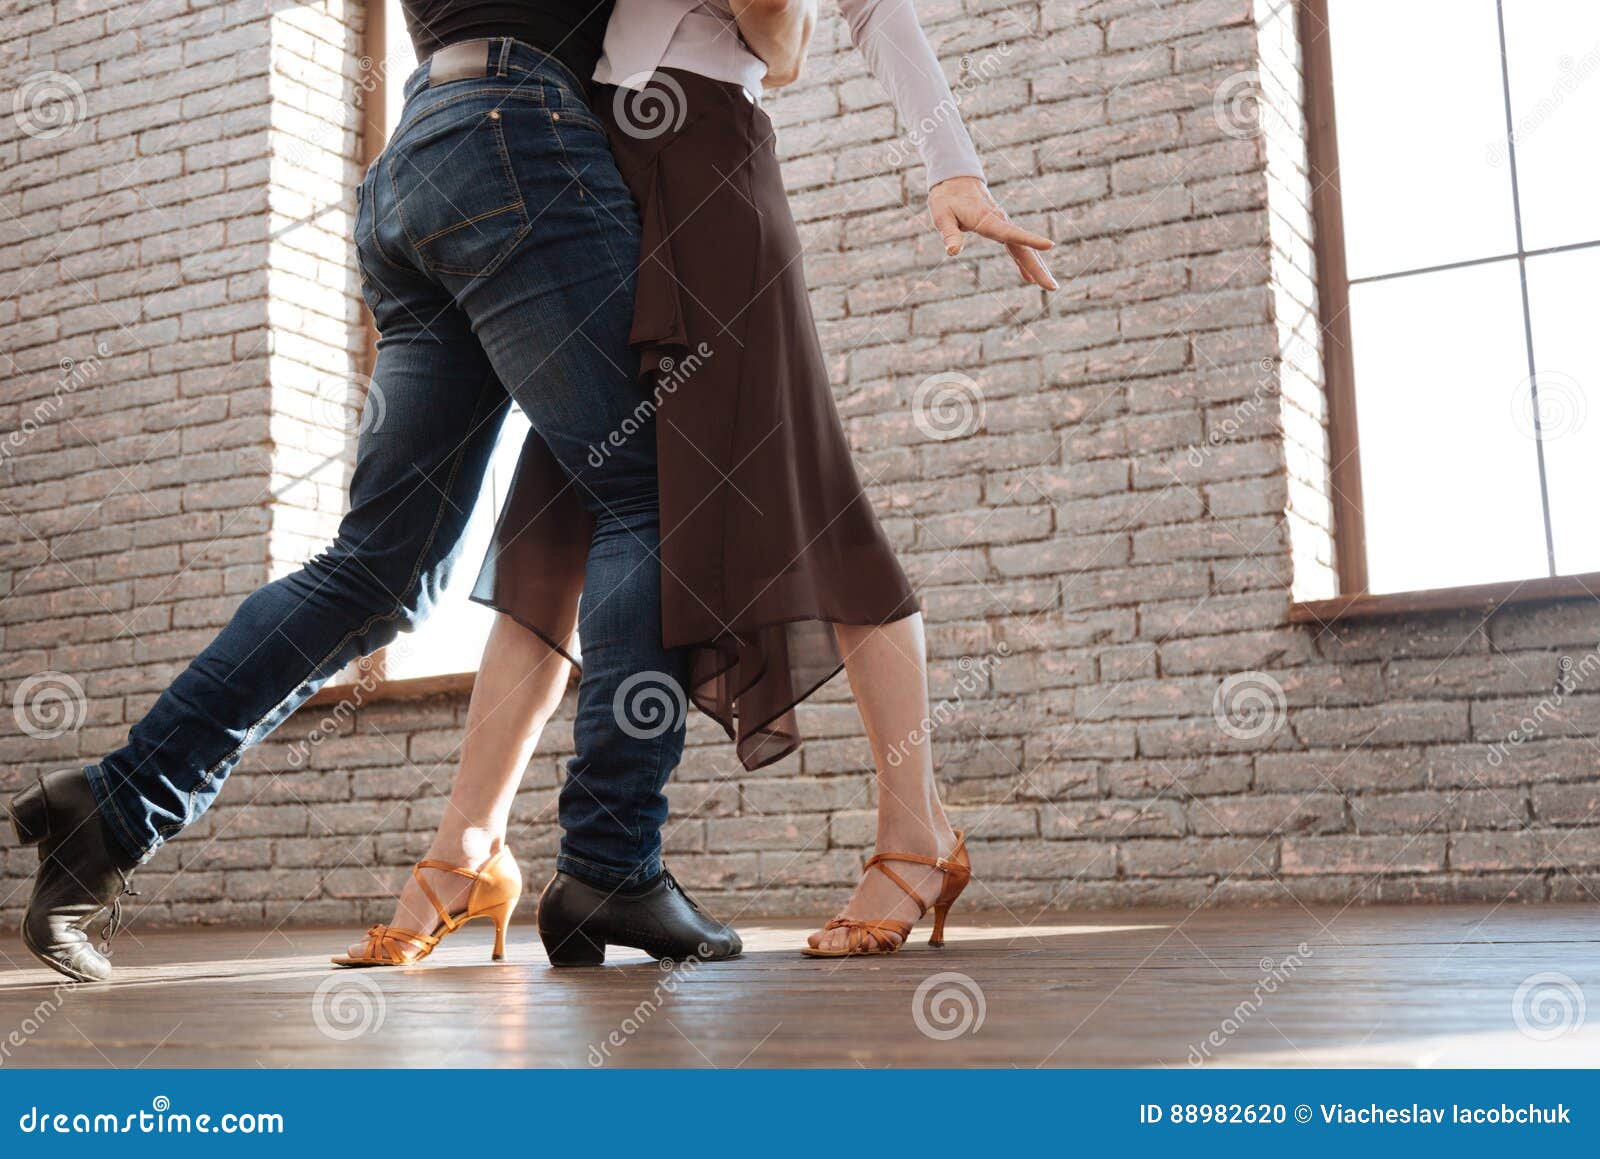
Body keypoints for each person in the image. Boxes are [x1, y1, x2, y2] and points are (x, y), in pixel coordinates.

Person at [7, 0, 742, 983]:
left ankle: (113, 806)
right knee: (652, 496)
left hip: (417, 157)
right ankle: (614, 861)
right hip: (522, 141)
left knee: (383, 568)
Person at [338, 0, 1056, 967]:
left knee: (824, 513)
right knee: (553, 523)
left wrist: (954, 167)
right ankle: (464, 851)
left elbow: (862, 15)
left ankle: (916, 833)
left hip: (707, 165)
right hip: (584, 170)